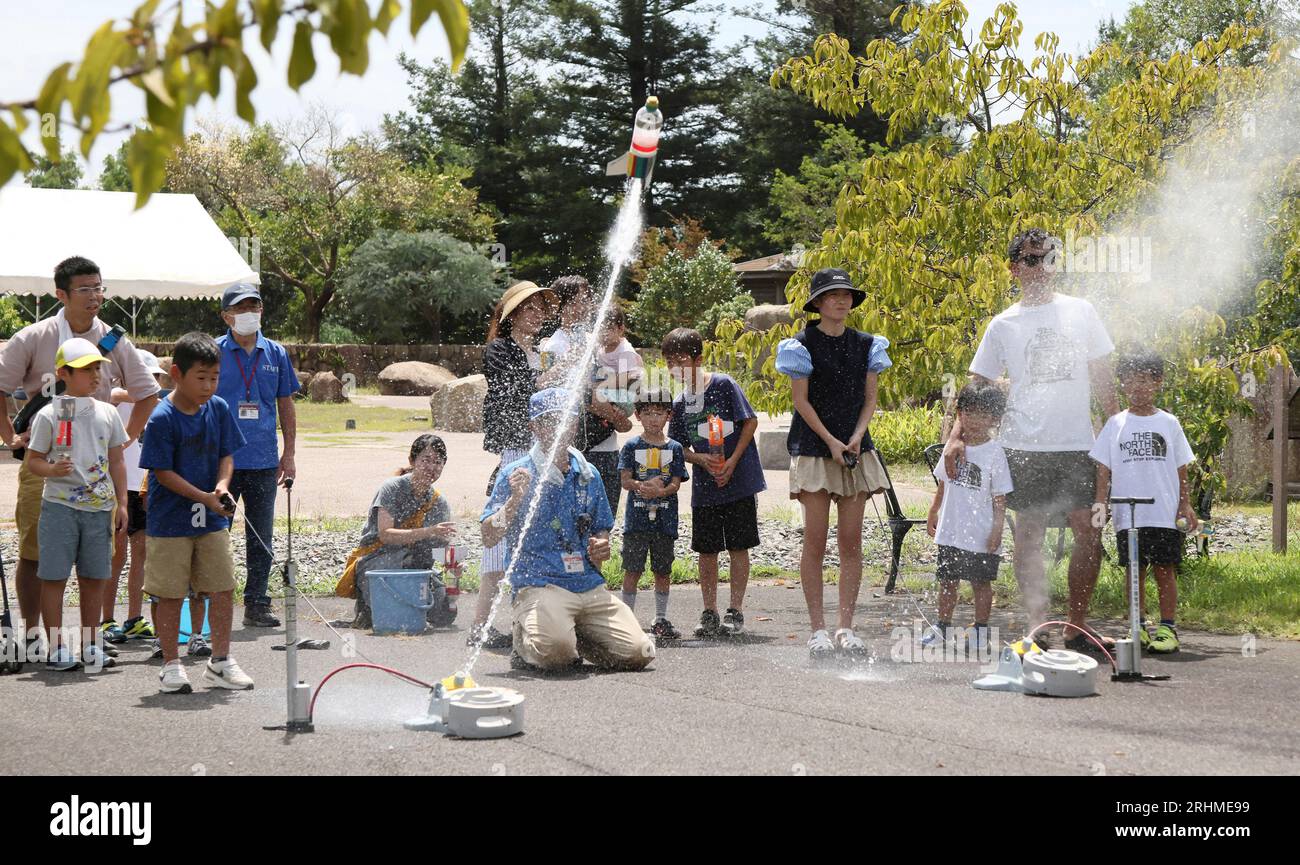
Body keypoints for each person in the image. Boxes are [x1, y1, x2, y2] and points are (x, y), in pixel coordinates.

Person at [944, 228, 1119, 648]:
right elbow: (979, 384)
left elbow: (1102, 376)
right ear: (1014, 267)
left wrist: (1116, 428)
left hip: (1078, 444)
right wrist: (955, 436)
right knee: (1029, 535)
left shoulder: (1082, 311)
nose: (1041, 268)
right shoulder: (1003, 323)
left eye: (1048, 259)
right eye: (1032, 259)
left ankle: (1077, 626)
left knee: (1088, 530)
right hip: (1023, 446)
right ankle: (1037, 627)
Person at [0, 256, 159, 657]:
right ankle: (36, 635)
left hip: (96, 471)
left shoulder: (115, 339)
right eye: (85, 289)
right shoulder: (33, 337)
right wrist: (10, 437)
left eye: (99, 288)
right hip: (43, 466)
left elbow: (147, 393)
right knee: (36, 554)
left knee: (95, 559)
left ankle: (90, 640)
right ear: (61, 294)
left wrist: (124, 441)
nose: (95, 297)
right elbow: (1, 387)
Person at [480, 387, 655, 672]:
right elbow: (488, 537)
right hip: (541, 585)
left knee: (640, 653)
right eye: (550, 420)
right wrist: (513, 501)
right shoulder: (516, 473)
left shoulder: (588, 473)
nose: (561, 426)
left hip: (588, 585)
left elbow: (600, 528)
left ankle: (571, 634)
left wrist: (601, 543)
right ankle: (527, 641)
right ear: (533, 426)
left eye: (568, 419)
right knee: (555, 655)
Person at [775, 268, 892, 659]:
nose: (841, 301)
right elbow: (800, 402)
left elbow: (870, 399)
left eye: (846, 294)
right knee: (815, 540)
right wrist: (831, 441)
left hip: (856, 446)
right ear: (818, 303)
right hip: (813, 447)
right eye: (832, 295)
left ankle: (846, 628)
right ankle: (817, 630)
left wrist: (856, 438)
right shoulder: (800, 343)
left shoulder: (867, 344)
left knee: (851, 542)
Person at [138, 332, 253, 694]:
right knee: (170, 594)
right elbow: (162, 473)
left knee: (222, 586)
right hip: (170, 521)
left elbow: (226, 455)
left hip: (212, 517)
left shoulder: (218, 408)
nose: (208, 385)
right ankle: (171, 664)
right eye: (200, 377)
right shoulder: (162, 418)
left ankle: (220, 662)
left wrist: (221, 486)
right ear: (176, 373)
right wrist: (203, 496)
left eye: (214, 377)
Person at [25, 339, 130, 671]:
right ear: (63, 374)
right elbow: (33, 461)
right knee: (54, 577)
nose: (94, 375)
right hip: (59, 507)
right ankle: (56, 646)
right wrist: (51, 469)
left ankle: (90, 644)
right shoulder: (48, 414)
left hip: (100, 509)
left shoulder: (108, 412)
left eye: (96, 368)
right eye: (85, 369)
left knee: (94, 577)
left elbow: (117, 462)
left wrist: (122, 502)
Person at [1090, 349, 1198, 654]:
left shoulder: (1169, 423)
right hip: (1128, 514)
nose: (1137, 387)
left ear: (1158, 382)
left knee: (1165, 568)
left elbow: (1182, 467)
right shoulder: (1115, 424)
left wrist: (1184, 504)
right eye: (1129, 381)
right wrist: (1101, 503)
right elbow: (1103, 468)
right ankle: (1137, 626)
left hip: (1162, 512)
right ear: (1122, 385)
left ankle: (1168, 628)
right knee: (1133, 570)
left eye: (1145, 380)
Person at [663, 327, 766, 638]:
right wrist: (700, 460)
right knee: (706, 550)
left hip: (738, 481)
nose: (674, 369)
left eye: (680, 361)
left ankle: (736, 610)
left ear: (699, 359)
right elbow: (676, 445)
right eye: (669, 363)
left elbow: (750, 421)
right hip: (706, 487)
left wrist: (732, 461)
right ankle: (710, 611)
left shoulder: (724, 385)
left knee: (738, 545)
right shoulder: (681, 403)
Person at [477, 280, 557, 649]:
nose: (537, 315)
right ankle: (481, 624)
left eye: (541, 309)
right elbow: (511, 385)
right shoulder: (499, 349)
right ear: (512, 315)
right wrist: (544, 379)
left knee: (535, 531)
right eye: (529, 308)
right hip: (513, 449)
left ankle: (525, 620)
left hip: (540, 448)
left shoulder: (542, 351)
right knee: (500, 530)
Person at [215, 283, 300, 628]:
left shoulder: (276, 353)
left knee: (261, 535)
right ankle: (210, 601)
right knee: (214, 533)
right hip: (222, 462)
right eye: (241, 307)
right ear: (226, 315)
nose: (250, 313)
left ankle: (257, 603)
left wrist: (289, 453)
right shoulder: (214, 351)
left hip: (265, 460)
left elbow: (286, 404)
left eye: (255, 306)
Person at [924, 381, 1013, 654]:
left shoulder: (995, 453)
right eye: (969, 412)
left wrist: (997, 530)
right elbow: (943, 482)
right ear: (960, 414)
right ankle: (942, 625)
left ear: (995, 419)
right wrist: (933, 510)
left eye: (984, 414)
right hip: (952, 528)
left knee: (980, 582)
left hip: (980, 533)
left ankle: (981, 629)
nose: (975, 420)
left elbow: (1000, 498)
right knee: (948, 580)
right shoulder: (953, 448)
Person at [341, 434, 458, 630]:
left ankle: (405, 604)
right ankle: (368, 606)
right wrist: (428, 531)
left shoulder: (439, 502)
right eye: (426, 460)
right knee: (392, 614)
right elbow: (386, 534)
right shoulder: (392, 488)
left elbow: (446, 550)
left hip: (416, 567)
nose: (432, 467)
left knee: (445, 613)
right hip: (379, 560)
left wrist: (454, 572)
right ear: (412, 461)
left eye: (438, 462)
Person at [101, 351, 167, 645]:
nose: (152, 383)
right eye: (146, 377)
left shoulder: (159, 407)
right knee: (116, 555)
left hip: (144, 486)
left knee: (141, 552)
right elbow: (112, 393)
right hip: (117, 487)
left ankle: (134, 618)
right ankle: (106, 620)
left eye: (156, 378)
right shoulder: (113, 400)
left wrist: (152, 397)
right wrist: (140, 394)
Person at [617, 388, 688, 639]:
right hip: (636, 521)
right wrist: (641, 486)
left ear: (668, 415)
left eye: (659, 413)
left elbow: (676, 482)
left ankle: (660, 619)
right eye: (647, 413)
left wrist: (660, 492)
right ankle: (626, 620)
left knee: (662, 570)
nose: (654, 419)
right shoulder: (631, 445)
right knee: (632, 569)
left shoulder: (676, 448)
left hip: (665, 520)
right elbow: (625, 480)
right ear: (637, 416)